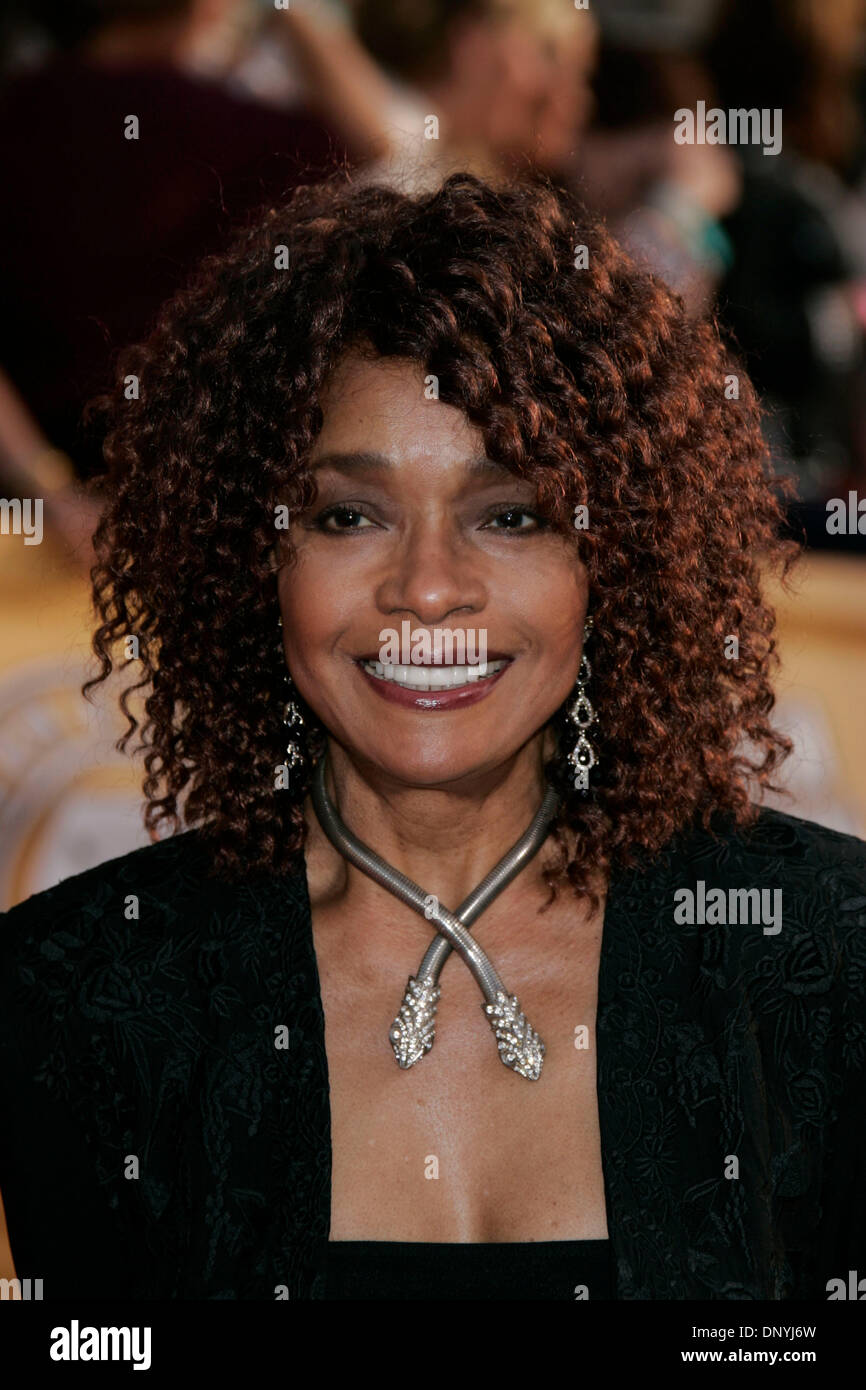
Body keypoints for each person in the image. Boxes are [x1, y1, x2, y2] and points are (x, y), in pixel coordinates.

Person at [0, 171, 864, 1301]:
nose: (426, 587)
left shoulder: (824, 958)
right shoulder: (83, 992)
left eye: (509, 514)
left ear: (616, 558)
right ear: (253, 556)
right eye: (348, 515)